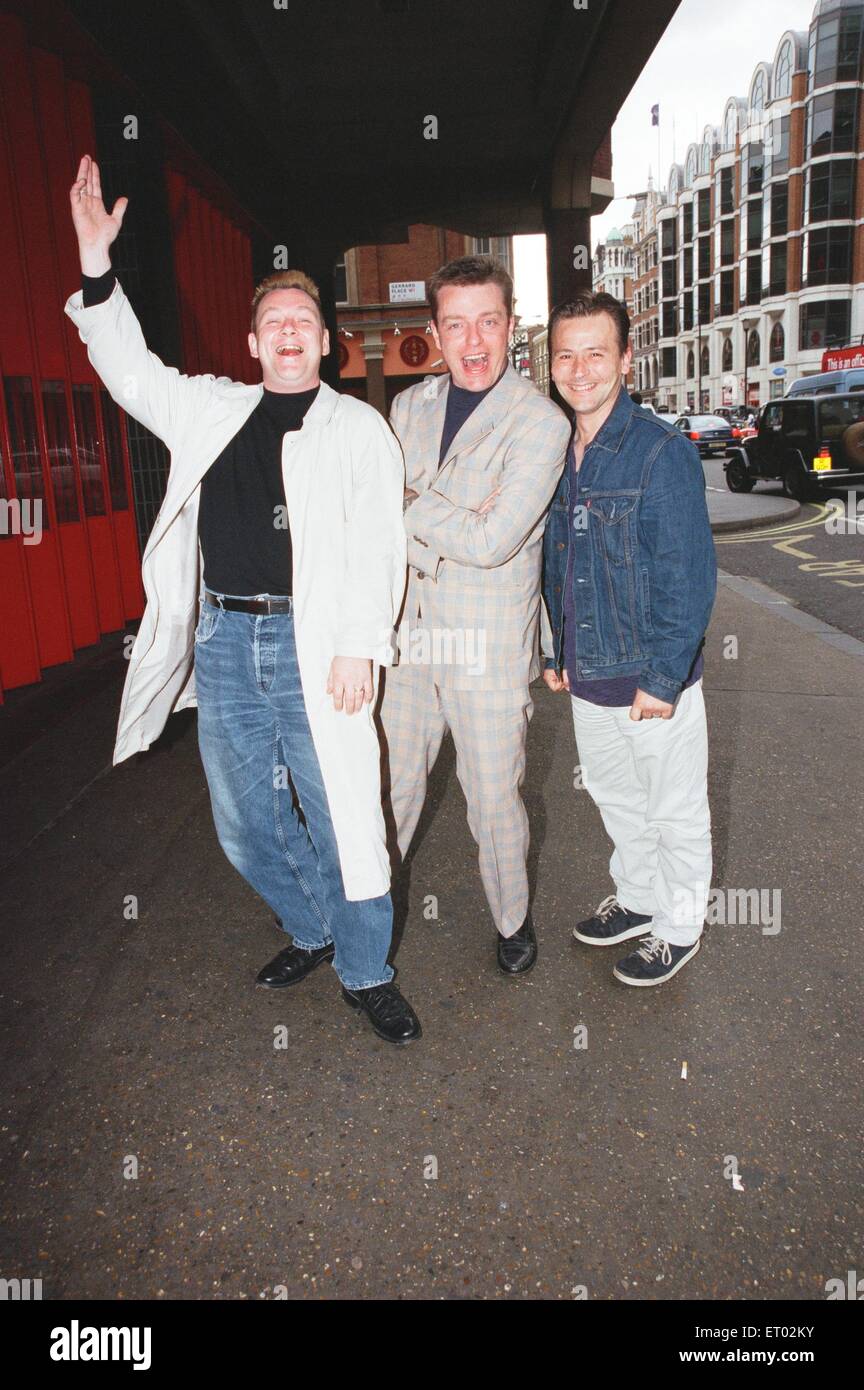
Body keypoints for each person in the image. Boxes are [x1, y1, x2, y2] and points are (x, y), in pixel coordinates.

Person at [66, 155, 421, 1044]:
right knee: (244, 823)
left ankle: (366, 968)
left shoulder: (358, 429)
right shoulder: (208, 409)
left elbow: (384, 545)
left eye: (305, 320)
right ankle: (311, 929)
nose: (290, 332)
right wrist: (96, 267)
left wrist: (359, 645)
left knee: (346, 814)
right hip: (226, 643)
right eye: (274, 323)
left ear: (328, 343)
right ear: (254, 344)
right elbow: (128, 370)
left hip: (320, 646)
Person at [378, 255, 570, 975]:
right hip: (409, 636)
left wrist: (413, 501)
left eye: (488, 320)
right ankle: (370, 912)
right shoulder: (409, 407)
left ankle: (512, 921)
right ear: (434, 331)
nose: (474, 340)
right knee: (392, 786)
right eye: (455, 324)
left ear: (510, 323)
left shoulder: (540, 421)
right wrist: (449, 510)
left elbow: (493, 541)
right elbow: (382, 514)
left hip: (486, 645)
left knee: (492, 800)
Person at [542, 291, 716, 986]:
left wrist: (664, 678)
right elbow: (559, 559)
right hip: (589, 672)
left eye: (595, 353)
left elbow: (688, 577)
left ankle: (678, 927)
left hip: (650, 675)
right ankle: (640, 899)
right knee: (616, 800)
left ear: (624, 359)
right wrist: (557, 650)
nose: (579, 369)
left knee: (673, 811)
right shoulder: (559, 450)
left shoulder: (659, 452)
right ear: (549, 362)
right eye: (565, 354)